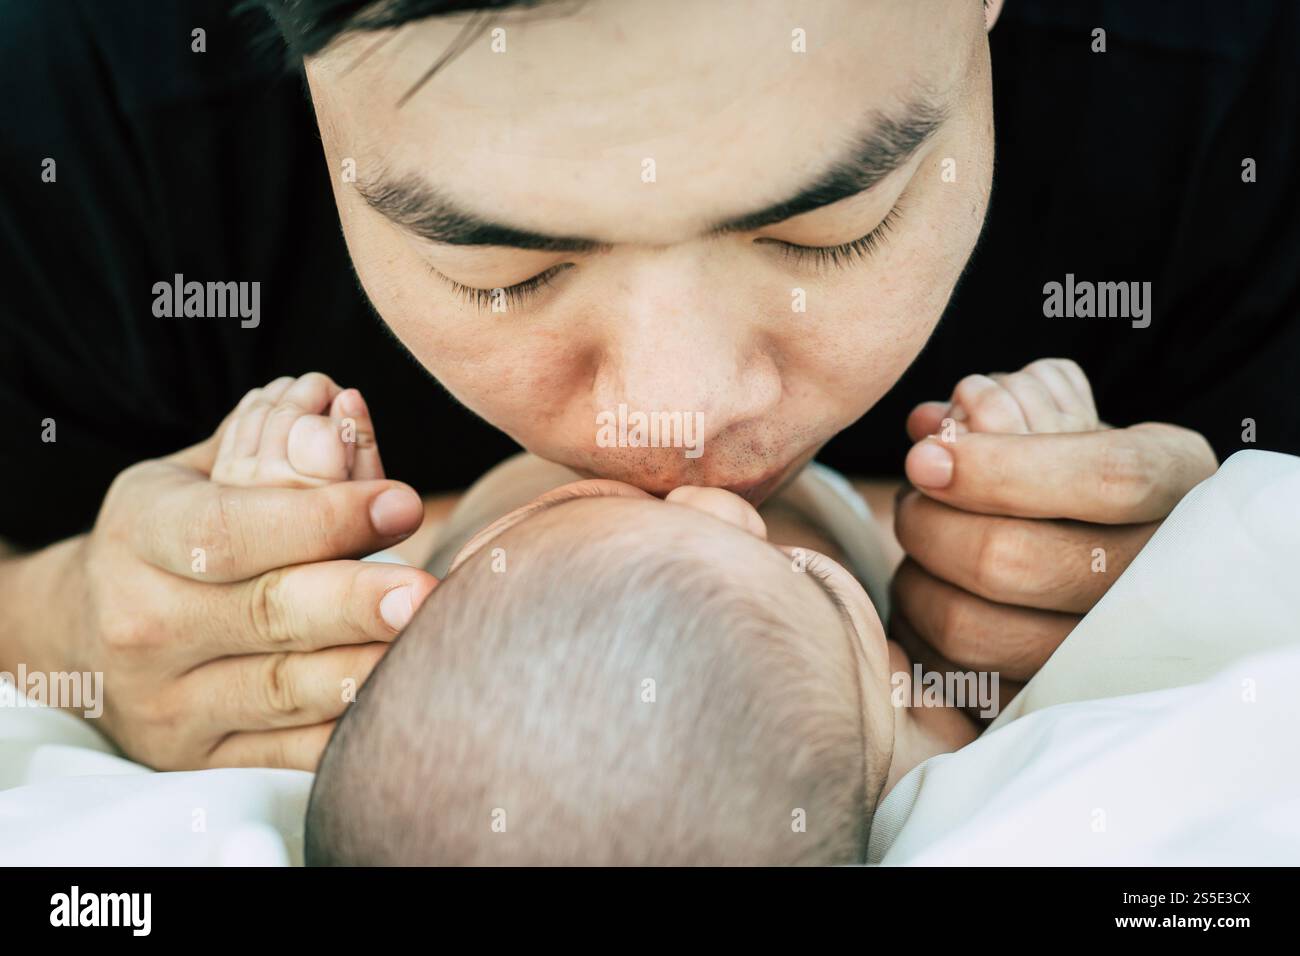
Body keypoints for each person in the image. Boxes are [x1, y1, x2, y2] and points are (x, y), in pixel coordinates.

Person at [9, 0, 1290, 770]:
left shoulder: (1240, 89)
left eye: (828, 230)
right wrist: (65, 627)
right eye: (505, 269)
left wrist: (1228, 565)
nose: (678, 418)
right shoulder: (79, 107)